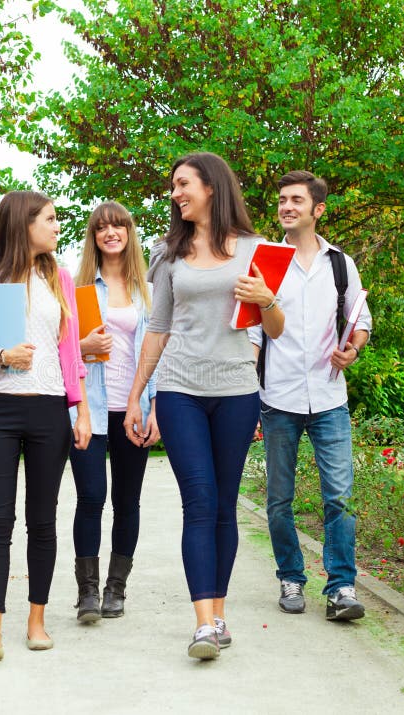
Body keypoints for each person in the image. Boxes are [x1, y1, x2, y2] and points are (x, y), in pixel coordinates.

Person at [124, 152, 284, 660]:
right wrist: (138, 395)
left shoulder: (257, 251)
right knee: (198, 499)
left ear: (212, 187)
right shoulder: (167, 253)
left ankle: (219, 614)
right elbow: (158, 327)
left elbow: (275, 330)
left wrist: (266, 298)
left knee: (223, 504)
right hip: (180, 389)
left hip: (237, 389)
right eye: (173, 186)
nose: (175, 194)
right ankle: (202, 623)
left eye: (183, 184)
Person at [0, 190, 91, 662]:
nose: (56, 228)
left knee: (43, 520)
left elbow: (71, 354)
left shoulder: (61, 279)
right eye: (49, 220)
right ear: (23, 224)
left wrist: (82, 409)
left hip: (50, 409)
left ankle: (37, 621)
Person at [246, 170, 372, 621]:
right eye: (282, 200)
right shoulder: (264, 262)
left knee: (339, 496)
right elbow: (252, 330)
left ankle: (341, 588)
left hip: (329, 396)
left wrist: (352, 349)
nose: (287, 207)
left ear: (318, 209)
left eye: (296, 200)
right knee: (279, 498)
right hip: (277, 397)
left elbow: (360, 317)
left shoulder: (341, 263)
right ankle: (291, 577)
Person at [69, 201, 158, 623]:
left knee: (127, 500)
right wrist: (83, 348)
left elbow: (158, 350)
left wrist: (153, 404)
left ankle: (115, 589)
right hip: (89, 407)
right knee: (90, 496)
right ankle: (86, 592)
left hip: (133, 406)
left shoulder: (149, 289)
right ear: (94, 236)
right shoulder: (77, 285)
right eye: (102, 227)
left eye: (118, 225)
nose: (110, 233)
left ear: (128, 232)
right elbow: (59, 347)